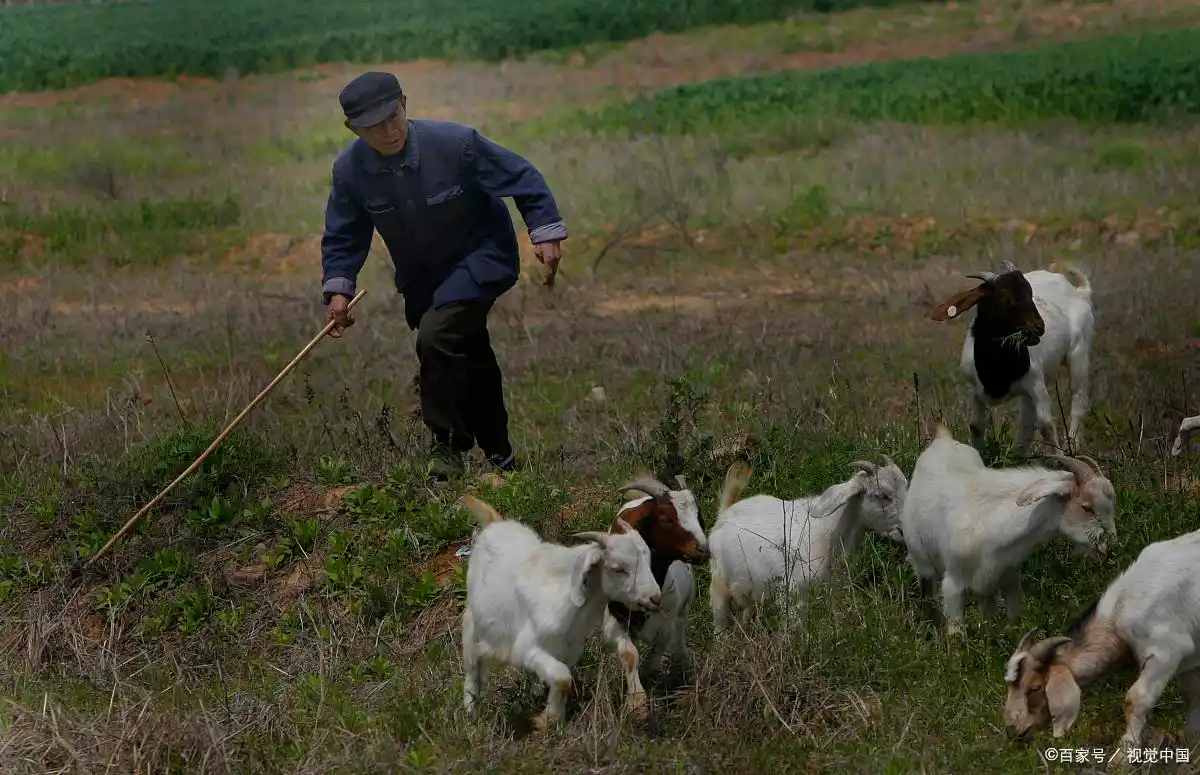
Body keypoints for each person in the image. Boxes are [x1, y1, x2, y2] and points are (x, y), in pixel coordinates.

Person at [319, 71, 567, 480]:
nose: (389, 130)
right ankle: (500, 455)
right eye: (373, 126)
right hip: (425, 279)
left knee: (436, 337)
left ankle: (447, 447)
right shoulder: (350, 171)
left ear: (405, 103)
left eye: (393, 116)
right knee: (468, 354)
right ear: (352, 129)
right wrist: (338, 291)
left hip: (482, 258)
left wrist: (545, 232)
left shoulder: (456, 144)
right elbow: (344, 233)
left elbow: (521, 176)